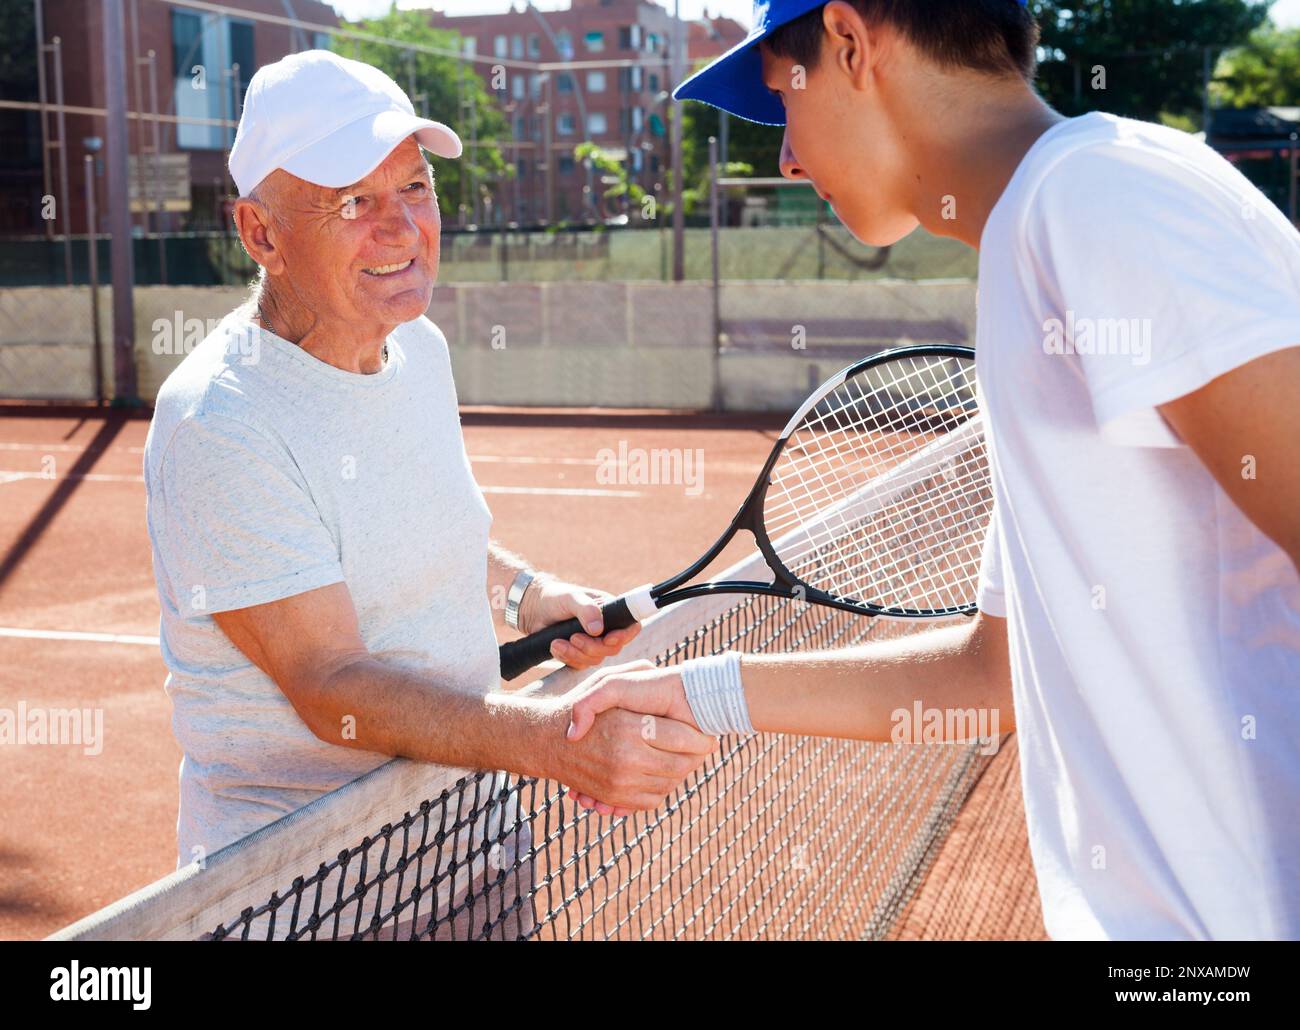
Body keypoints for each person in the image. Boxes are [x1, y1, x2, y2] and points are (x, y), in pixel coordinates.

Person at [566, 0, 1300, 940]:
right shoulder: (1043, 227)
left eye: (784, 98)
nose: (786, 158)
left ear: (849, 41)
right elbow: (990, 677)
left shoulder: (1094, 198)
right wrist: (694, 690)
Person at [143, 50, 713, 869]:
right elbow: (329, 683)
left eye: (416, 187)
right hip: (306, 892)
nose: (403, 227)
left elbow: (414, 524)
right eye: (353, 201)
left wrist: (525, 597)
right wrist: (551, 741)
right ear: (260, 233)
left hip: (472, 841)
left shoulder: (418, 347)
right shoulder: (220, 423)